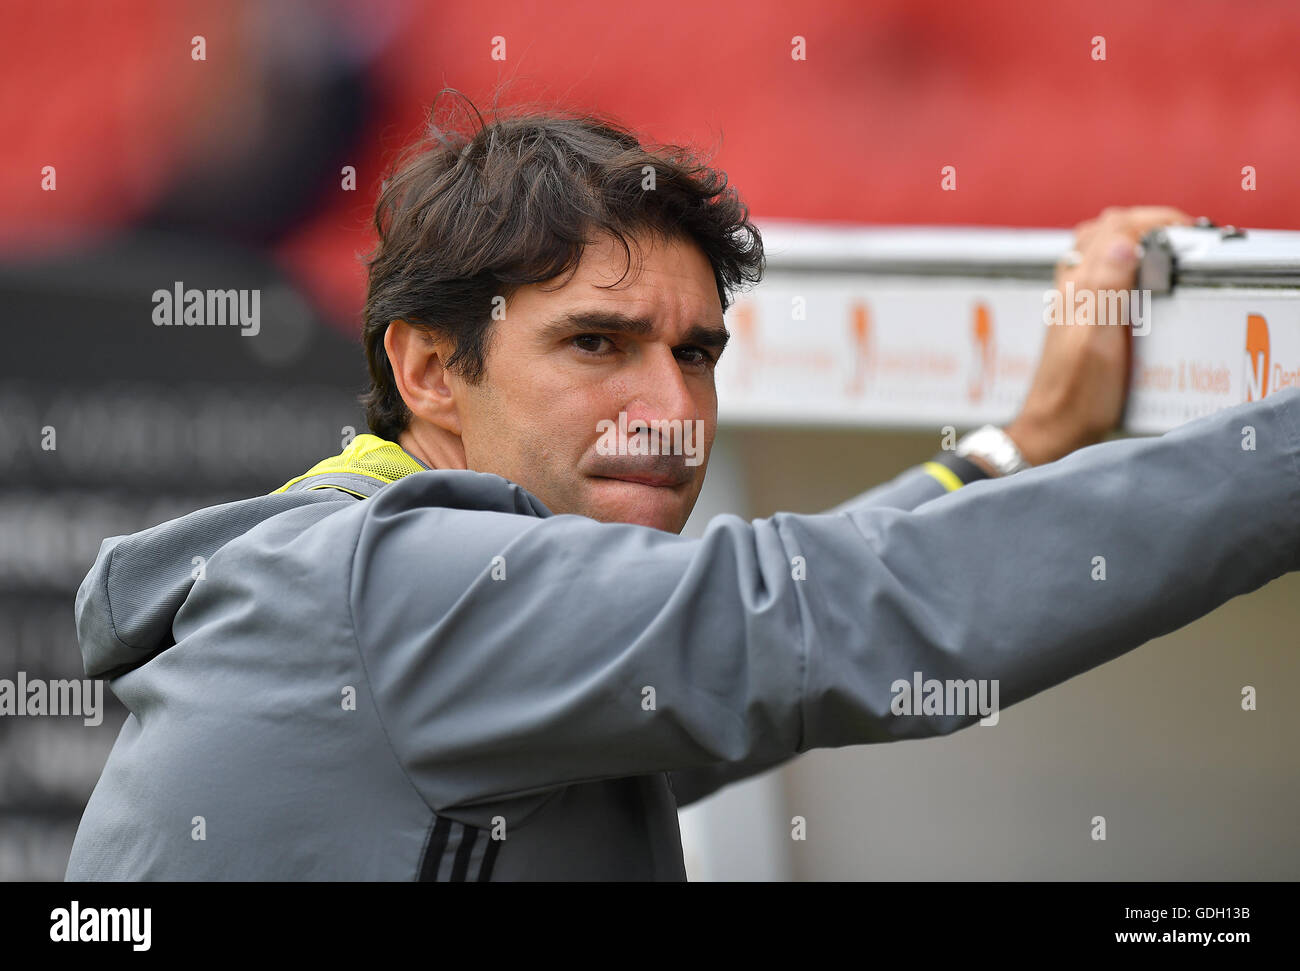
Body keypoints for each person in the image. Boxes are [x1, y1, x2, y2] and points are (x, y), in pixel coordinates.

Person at [66, 99, 1300, 881]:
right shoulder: (408, 582)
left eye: (696, 352)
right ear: (432, 368)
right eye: (595, 344)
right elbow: (832, 616)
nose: (672, 410)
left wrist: (1014, 448)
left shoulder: (375, 574)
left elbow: (777, 608)